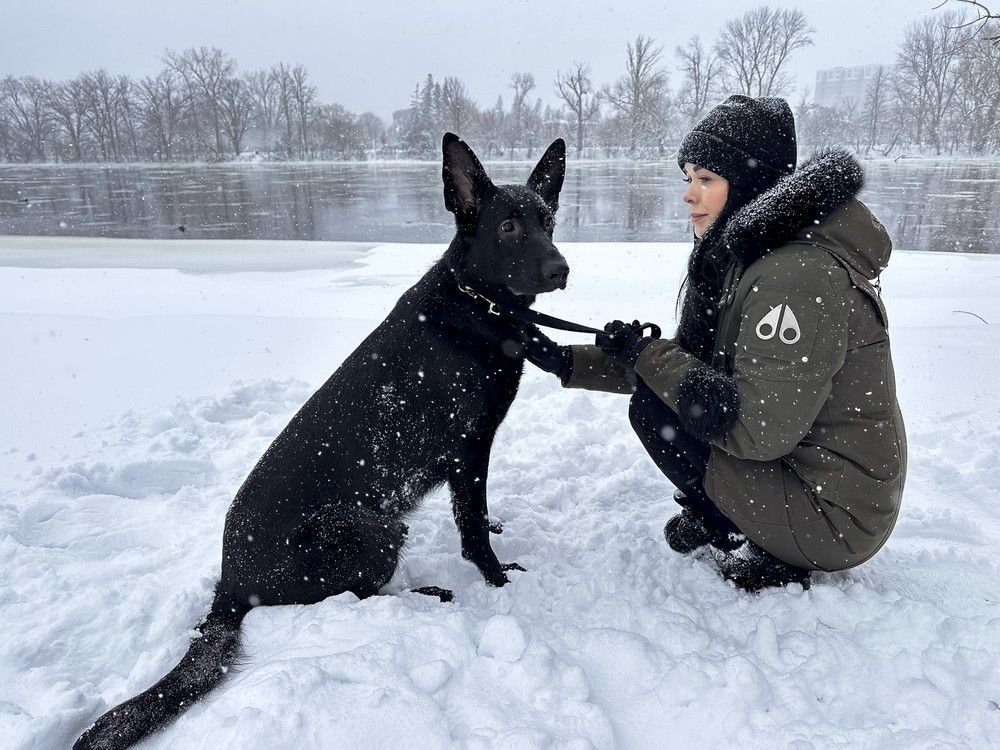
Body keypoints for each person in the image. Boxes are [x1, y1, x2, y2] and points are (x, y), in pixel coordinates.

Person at [525, 95, 906, 591]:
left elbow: (757, 429)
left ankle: (762, 544)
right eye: (689, 178)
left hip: (834, 517)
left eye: (706, 179)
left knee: (658, 409)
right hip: (813, 479)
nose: (688, 194)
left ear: (748, 185)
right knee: (663, 397)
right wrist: (562, 359)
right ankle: (731, 517)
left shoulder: (794, 277)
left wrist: (647, 356)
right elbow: (692, 364)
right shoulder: (752, 259)